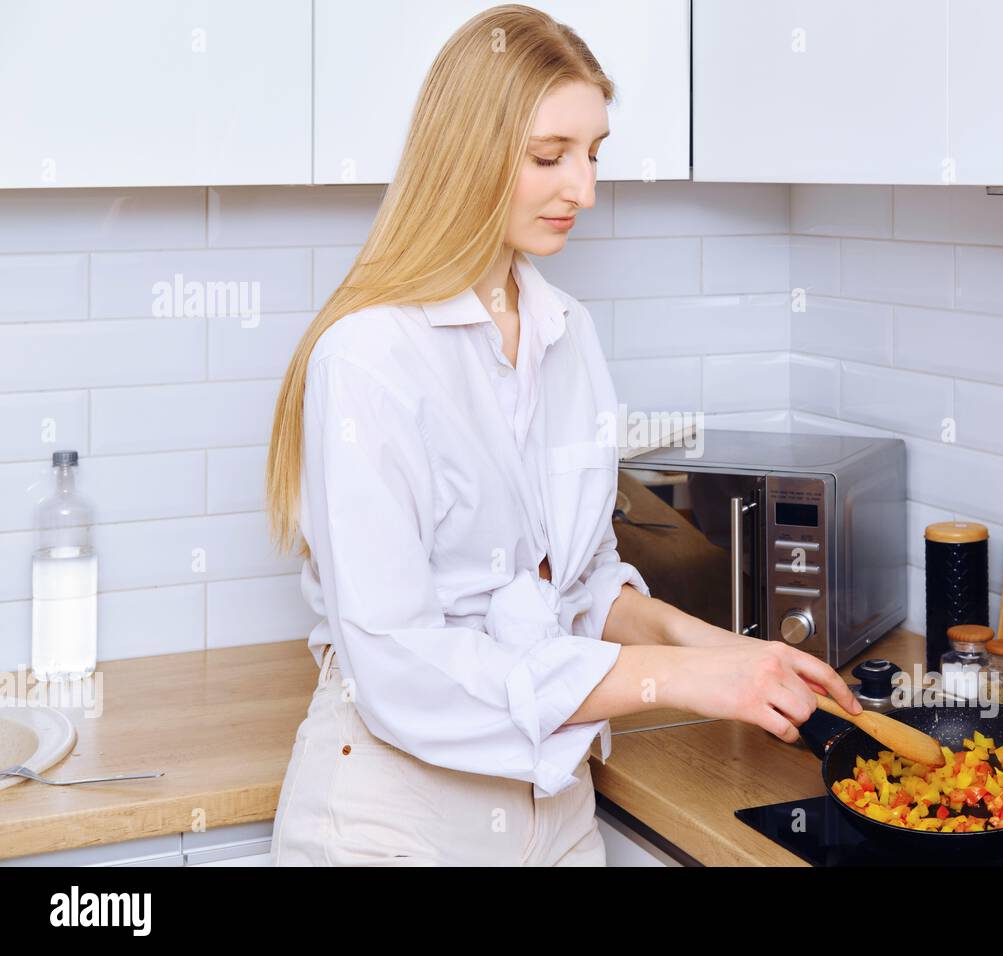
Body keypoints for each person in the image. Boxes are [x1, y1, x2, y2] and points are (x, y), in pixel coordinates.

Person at [263, 3, 862, 867]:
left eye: (593, 154)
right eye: (551, 157)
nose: (584, 190)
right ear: (465, 154)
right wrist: (681, 678)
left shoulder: (567, 332)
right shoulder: (368, 358)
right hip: (395, 823)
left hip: (558, 809)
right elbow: (399, 665)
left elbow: (577, 586)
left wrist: (730, 652)